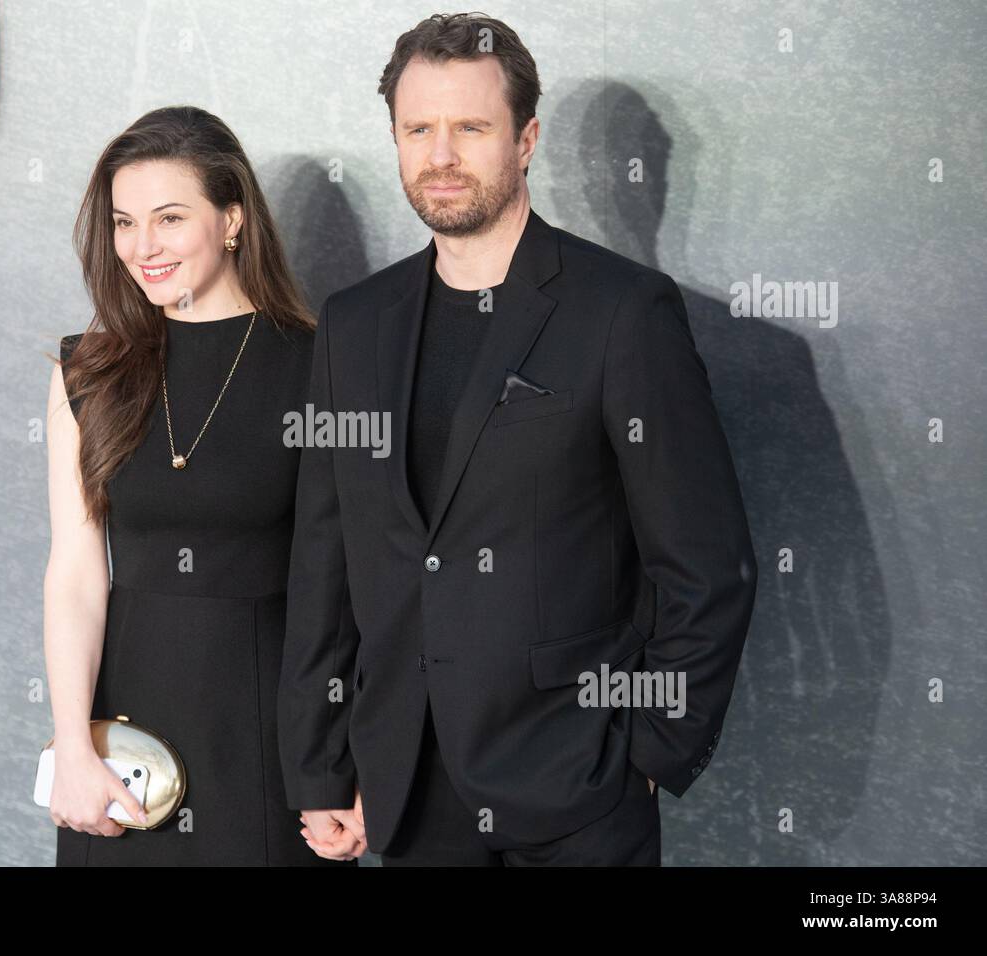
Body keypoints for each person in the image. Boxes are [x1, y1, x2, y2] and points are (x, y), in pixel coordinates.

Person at [279, 13, 758, 865]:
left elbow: (707, 564)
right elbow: (328, 560)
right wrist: (322, 766)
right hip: (406, 789)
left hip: (575, 793)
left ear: (526, 138)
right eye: (418, 129)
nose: (441, 155)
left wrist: (648, 752)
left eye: (471, 127)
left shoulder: (621, 311)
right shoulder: (354, 325)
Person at [43, 105, 358, 866]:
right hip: (124, 745)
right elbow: (76, 575)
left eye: (169, 218)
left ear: (232, 220)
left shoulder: (325, 366)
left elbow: (355, 587)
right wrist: (71, 747)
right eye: (124, 222)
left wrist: (343, 768)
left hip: (272, 737)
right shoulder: (85, 372)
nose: (142, 247)